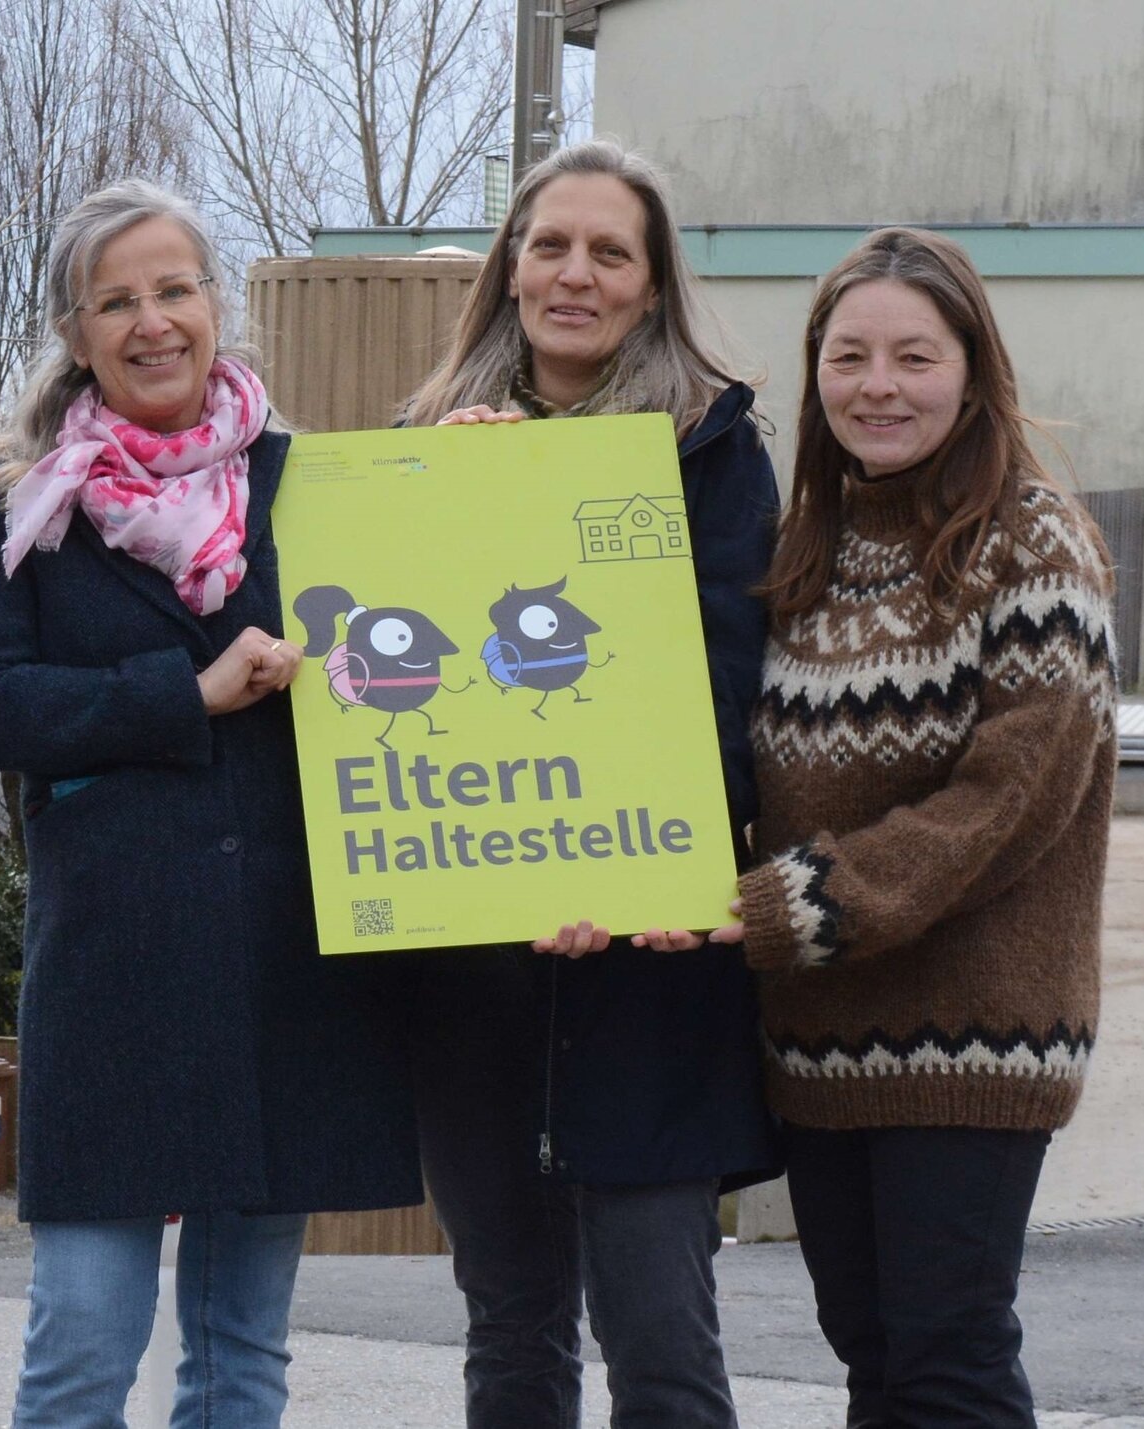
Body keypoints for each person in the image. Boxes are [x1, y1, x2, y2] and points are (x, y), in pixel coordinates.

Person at [0, 179, 420, 1429]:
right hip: (116, 976)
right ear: (75, 330)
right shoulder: (13, 498)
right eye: (117, 300)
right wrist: (182, 693)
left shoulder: (312, 484)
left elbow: (418, 651)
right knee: (84, 1347)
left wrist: (466, 474)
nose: (152, 322)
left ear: (216, 304)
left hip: (283, 967)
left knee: (241, 1353)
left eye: (174, 289)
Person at [709, 226, 1118, 1428]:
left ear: (971, 371)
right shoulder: (803, 550)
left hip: (975, 1029)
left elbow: (1013, 800)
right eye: (848, 357)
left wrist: (809, 900)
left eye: (911, 357)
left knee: (947, 1359)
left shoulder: (1032, 543)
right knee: (875, 1356)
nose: (876, 386)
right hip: (820, 1034)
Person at [400, 140, 779, 1429]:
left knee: (660, 1338)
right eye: (548, 245)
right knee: (510, 1329)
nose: (574, 274)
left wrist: (623, 875)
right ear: (507, 269)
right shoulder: (417, 452)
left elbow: (729, 700)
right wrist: (463, 501)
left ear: (651, 284)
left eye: (607, 251)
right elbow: (401, 703)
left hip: (650, 956)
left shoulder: (718, 452)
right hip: (480, 977)